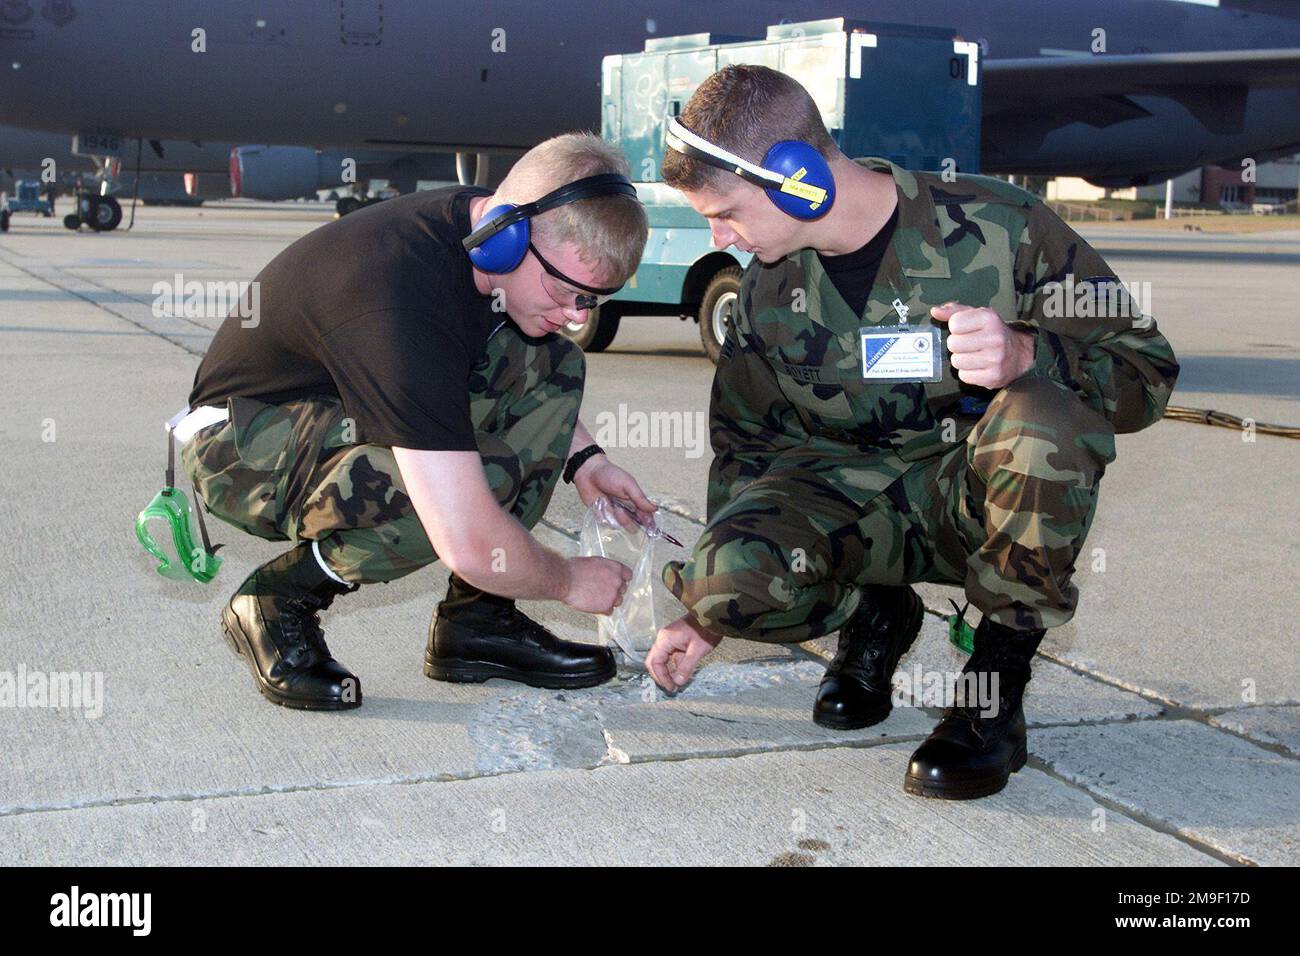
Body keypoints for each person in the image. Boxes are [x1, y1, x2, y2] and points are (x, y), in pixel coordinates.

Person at [644, 66, 1179, 800]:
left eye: (726, 211)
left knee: (1042, 422)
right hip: (852, 508)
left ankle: (992, 697)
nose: (716, 235)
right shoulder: (767, 289)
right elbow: (748, 446)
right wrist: (706, 614)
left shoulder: (1002, 227)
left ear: (796, 177)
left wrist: (1029, 353)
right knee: (722, 578)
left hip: (976, 500)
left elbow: (1146, 373)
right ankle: (877, 613)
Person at [179, 132, 652, 710]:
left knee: (552, 361)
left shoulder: (485, 230)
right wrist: (569, 581)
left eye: (592, 301)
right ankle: (278, 600)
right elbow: (470, 541)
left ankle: (477, 624)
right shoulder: (400, 302)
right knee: (477, 489)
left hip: (337, 404)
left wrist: (587, 462)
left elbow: (535, 374)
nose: (576, 315)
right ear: (505, 238)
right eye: (565, 290)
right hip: (240, 440)